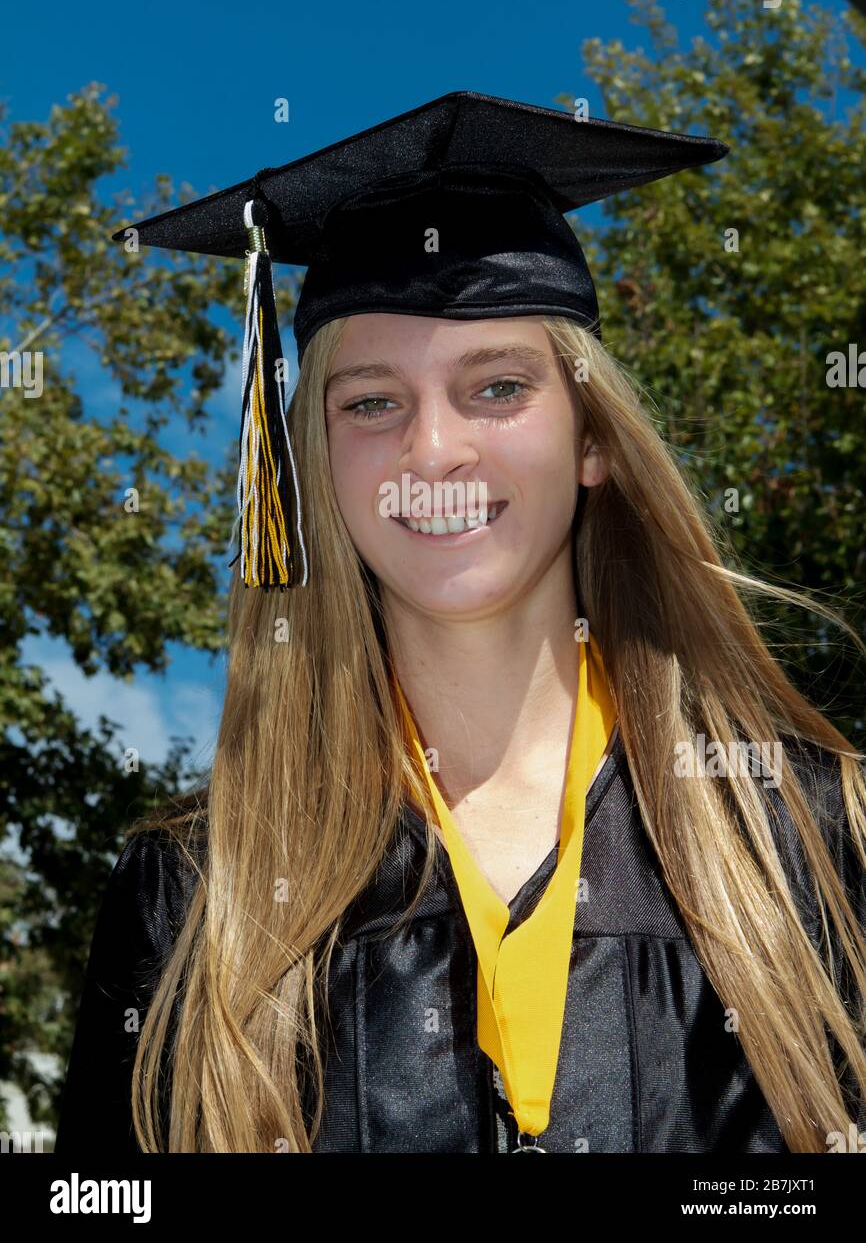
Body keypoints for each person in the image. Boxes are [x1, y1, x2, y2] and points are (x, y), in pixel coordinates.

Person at [54, 92, 866, 1154]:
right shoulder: (199, 892)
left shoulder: (804, 839)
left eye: (495, 386)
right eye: (371, 403)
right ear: (314, 466)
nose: (432, 450)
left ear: (592, 442)